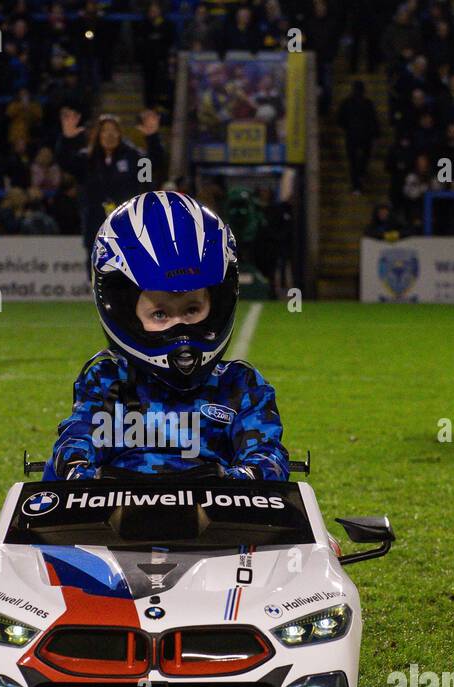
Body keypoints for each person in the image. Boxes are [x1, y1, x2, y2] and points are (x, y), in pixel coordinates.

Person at [43, 190, 288, 481]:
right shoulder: (106, 379)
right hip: (114, 519)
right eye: (160, 314)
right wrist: (75, 469)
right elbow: (77, 437)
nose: (180, 327)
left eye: (192, 310)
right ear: (125, 313)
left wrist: (241, 477)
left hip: (221, 520)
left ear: (217, 304)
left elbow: (268, 455)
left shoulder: (239, 385)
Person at [56, 108, 165, 277]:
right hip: (95, 225)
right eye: (105, 130)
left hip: (127, 225)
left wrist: (153, 137)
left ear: (120, 134)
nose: (109, 135)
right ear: (98, 134)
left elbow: (154, 165)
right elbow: (65, 163)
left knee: (128, 275)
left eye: (114, 130)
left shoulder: (133, 157)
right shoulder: (86, 159)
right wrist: (67, 139)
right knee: (98, 274)